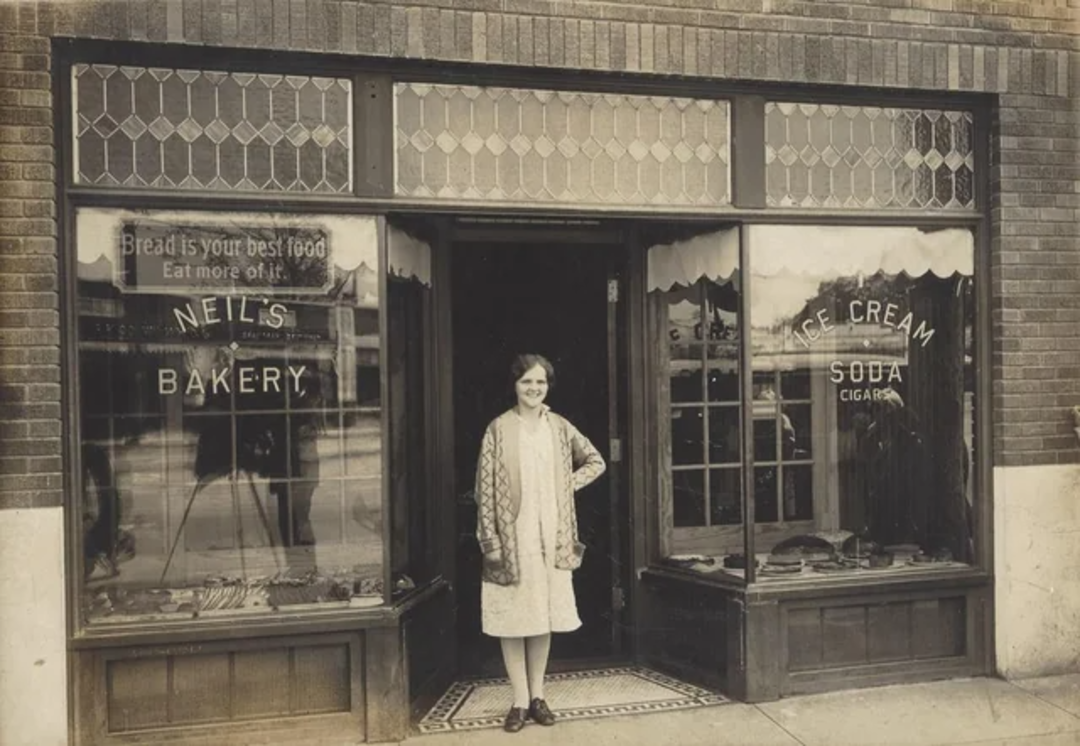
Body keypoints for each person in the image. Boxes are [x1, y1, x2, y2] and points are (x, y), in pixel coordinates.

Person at [474, 354, 606, 733]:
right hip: (513, 537)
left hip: (552, 535)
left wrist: (566, 485)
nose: (534, 388)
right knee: (513, 618)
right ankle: (518, 700)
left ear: (548, 386)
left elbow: (595, 461)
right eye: (527, 382)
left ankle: (538, 696)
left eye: (541, 382)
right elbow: (484, 491)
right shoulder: (498, 429)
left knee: (541, 615)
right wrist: (490, 540)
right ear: (515, 385)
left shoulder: (560, 427)